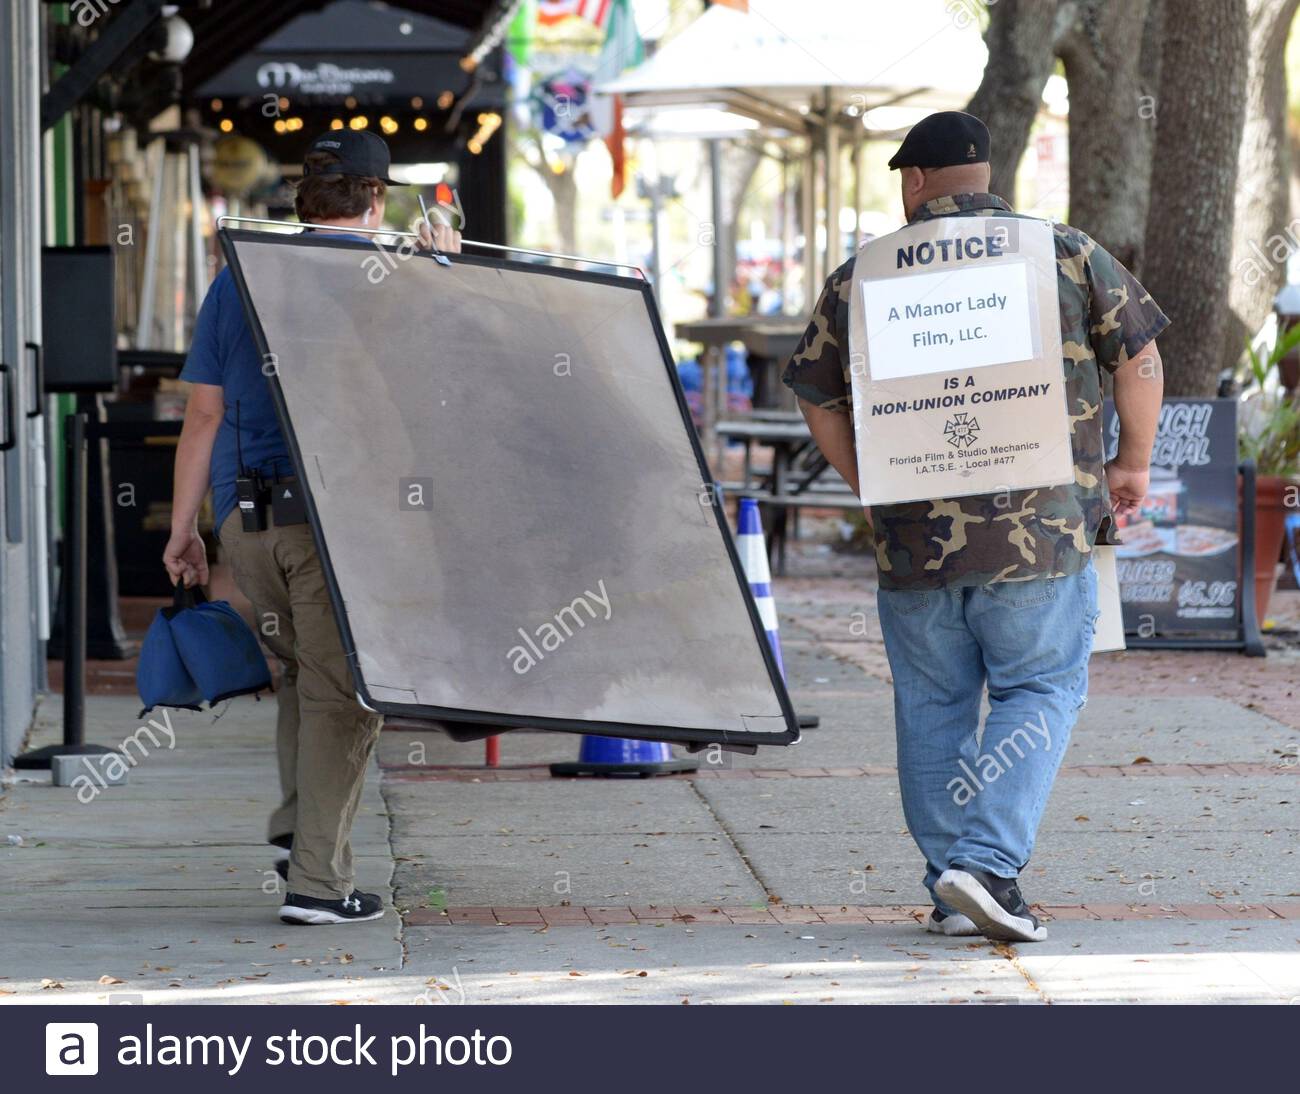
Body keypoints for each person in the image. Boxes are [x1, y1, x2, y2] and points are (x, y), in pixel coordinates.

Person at [783, 111, 1168, 942]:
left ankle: (950, 886)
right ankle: (987, 866)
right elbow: (1139, 355)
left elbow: (814, 393)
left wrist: (870, 482)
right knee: (1042, 687)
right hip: (1043, 536)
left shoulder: (863, 274)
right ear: (986, 176)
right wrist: (1133, 464)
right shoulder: (1059, 250)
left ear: (914, 183)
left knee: (933, 705)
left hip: (915, 543)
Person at [164, 129, 461, 925]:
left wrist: (186, 528)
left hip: (246, 524)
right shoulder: (390, 276)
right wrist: (445, 270)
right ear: (376, 197)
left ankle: (299, 826)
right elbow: (454, 386)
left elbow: (203, 413)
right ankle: (318, 885)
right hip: (336, 527)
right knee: (349, 697)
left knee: (302, 677)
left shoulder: (237, 278)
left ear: (305, 195)